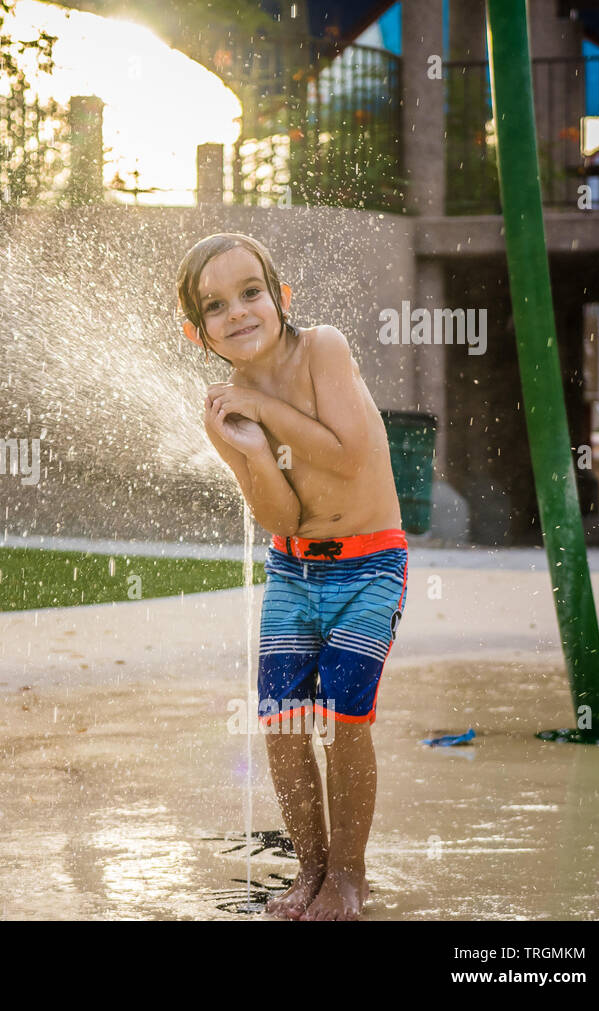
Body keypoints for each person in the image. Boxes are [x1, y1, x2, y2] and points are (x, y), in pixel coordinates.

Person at [176, 232, 408, 920]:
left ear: (281, 297)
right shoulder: (225, 412)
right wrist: (245, 448)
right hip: (294, 570)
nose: (238, 311)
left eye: (251, 292)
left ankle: (349, 876)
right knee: (281, 719)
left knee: (343, 714)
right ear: (197, 332)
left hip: (370, 563)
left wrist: (267, 415)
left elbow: (346, 455)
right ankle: (309, 871)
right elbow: (282, 512)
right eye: (216, 306)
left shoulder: (323, 350)